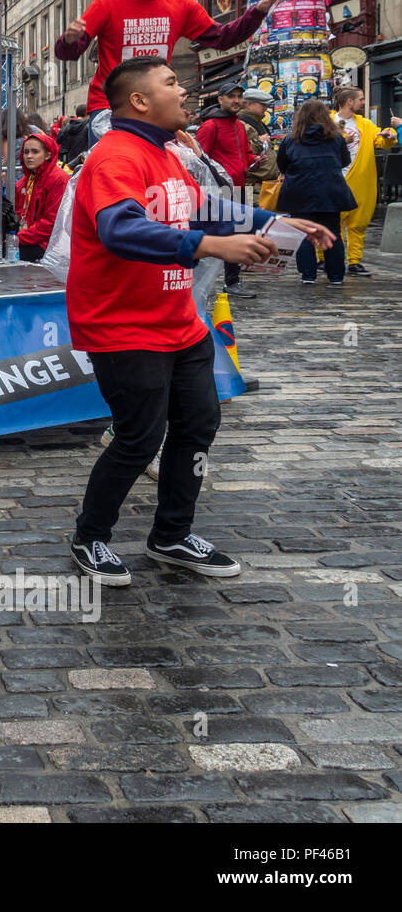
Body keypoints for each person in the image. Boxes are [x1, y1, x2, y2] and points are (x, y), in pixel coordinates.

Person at [64, 56, 334, 585]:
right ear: (139, 101)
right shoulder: (114, 157)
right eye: (171, 83)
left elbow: (203, 206)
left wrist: (274, 221)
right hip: (122, 327)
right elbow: (122, 230)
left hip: (179, 323)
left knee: (198, 425)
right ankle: (89, 537)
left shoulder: (166, 154)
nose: (184, 91)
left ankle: (171, 534)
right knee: (139, 439)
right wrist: (212, 245)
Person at [55, 0, 281, 149]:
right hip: (110, 106)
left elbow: (222, 38)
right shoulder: (107, 2)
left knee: (154, 170)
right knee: (111, 167)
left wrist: (257, 12)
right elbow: (70, 53)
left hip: (155, 105)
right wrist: (68, 40)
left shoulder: (181, 4)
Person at [276, 100, 355, 286]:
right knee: (332, 232)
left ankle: (308, 275)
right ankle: (336, 276)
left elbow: (282, 165)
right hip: (330, 191)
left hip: (299, 192)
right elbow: (344, 160)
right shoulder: (336, 138)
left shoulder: (290, 139)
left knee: (304, 233)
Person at [196, 81, 257, 298]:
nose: (236, 101)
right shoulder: (210, 126)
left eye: (239, 97)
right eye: (231, 96)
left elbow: (245, 153)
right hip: (219, 191)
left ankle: (232, 281)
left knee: (240, 232)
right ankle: (198, 280)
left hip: (240, 186)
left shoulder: (239, 125)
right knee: (213, 234)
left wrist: (255, 160)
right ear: (220, 99)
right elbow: (199, 158)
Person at [331, 86, 401, 276]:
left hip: (361, 181)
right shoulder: (328, 122)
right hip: (334, 181)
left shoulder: (365, 124)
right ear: (349, 102)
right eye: (361, 99)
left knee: (358, 224)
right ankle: (325, 258)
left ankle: (354, 262)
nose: (363, 102)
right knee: (330, 224)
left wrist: (389, 136)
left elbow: (380, 141)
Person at [14, 132, 68, 261]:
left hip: (50, 246)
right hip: (28, 240)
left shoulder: (59, 179)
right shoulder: (22, 183)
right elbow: (16, 215)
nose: (29, 156)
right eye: (26, 152)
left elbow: (51, 224)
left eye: (35, 152)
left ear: (47, 155)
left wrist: (18, 237)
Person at [238, 88, 279, 205]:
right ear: (249, 105)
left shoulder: (255, 122)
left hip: (261, 186)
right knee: (254, 220)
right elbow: (239, 150)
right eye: (262, 104)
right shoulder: (242, 124)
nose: (265, 108)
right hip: (252, 187)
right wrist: (259, 142)